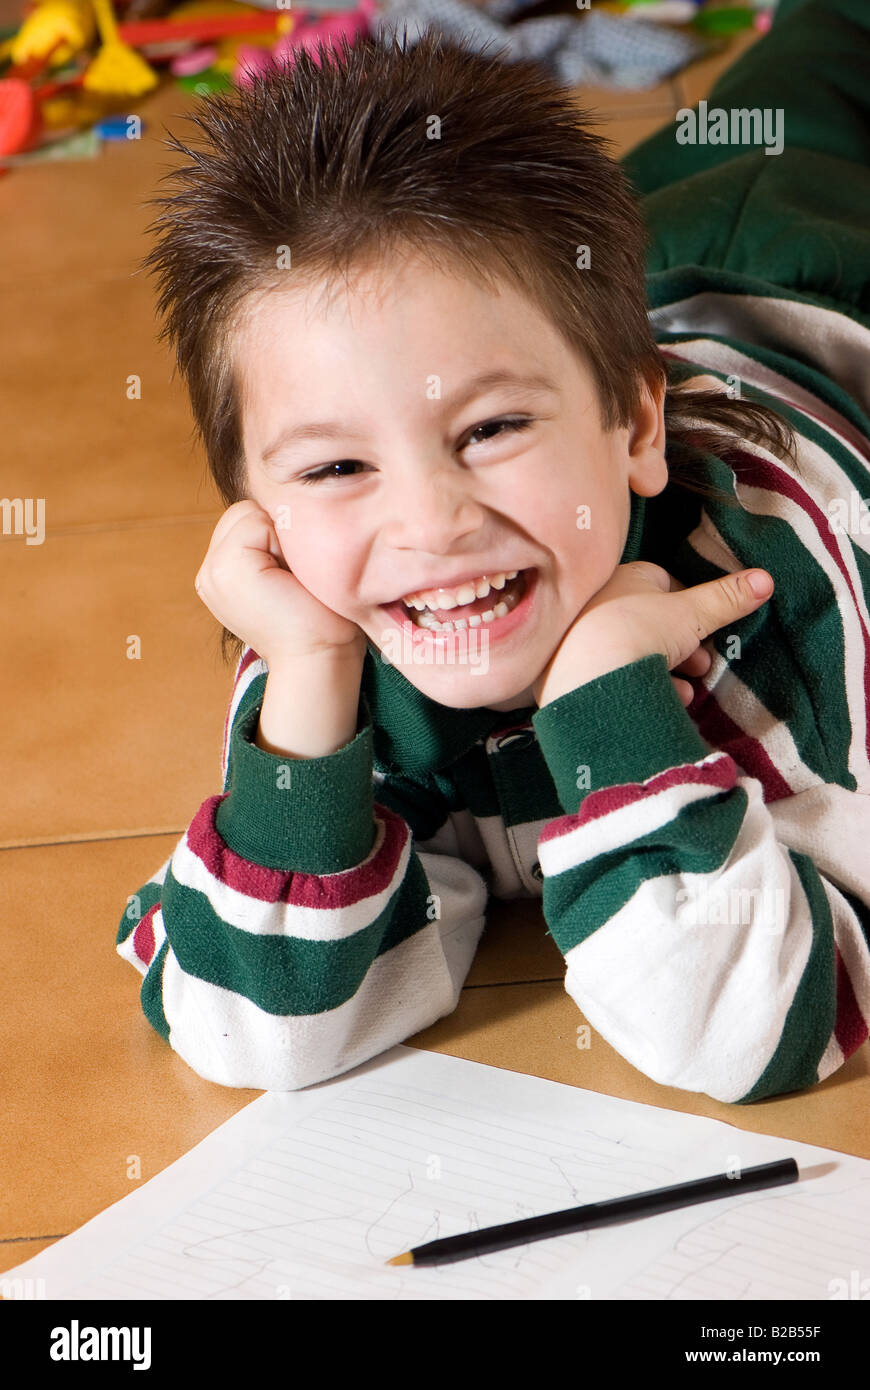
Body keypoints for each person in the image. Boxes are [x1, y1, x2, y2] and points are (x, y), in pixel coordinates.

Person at [117, 0, 870, 1102]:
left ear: (639, 432)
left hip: (821, 284)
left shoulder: (773, 587)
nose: (429, 526)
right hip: (631, 272)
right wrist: (314, 677)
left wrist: (609, 700)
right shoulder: (335, 623)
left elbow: (767, 1022)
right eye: (335, 469)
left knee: (823, 62)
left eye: (491, 431)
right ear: (262, 516)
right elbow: (253, 1032)